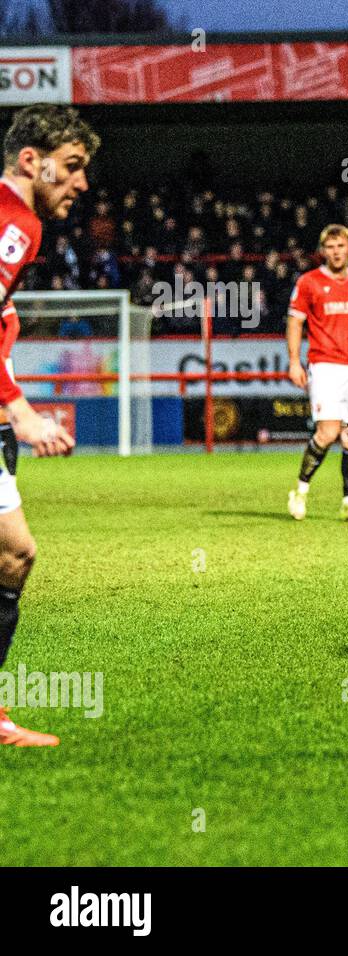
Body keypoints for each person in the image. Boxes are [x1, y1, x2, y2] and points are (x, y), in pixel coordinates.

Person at [0, 104, 96, 746]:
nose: (81, 183)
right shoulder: (15, 223)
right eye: (73, 167)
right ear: (31, 160)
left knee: (13, 555)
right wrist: (19, 410)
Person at [286, 224, 348, 524]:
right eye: (330, 247)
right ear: (322, 251)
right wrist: (293, 361)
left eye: (341, 246)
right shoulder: (309, 282)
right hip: (324, 365)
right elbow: (294, 322)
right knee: (327, 432)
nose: (336, 252)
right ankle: (300, 491)